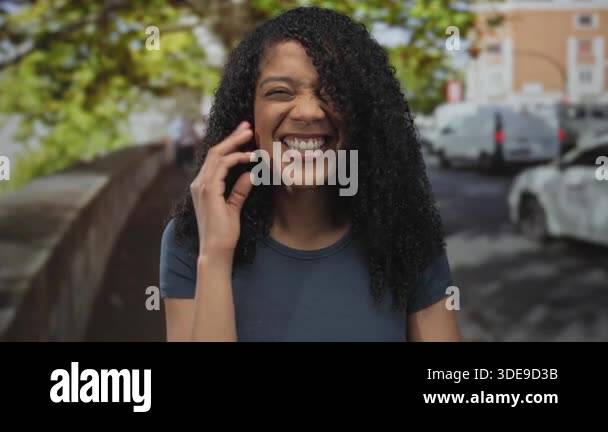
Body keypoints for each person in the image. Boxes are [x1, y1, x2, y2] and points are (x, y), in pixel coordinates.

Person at [159, 7, 461, 342]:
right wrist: (215, 256)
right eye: (280, 92)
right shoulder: (191, 240)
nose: (307, 112)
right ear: (249, 116)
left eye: (331, 91)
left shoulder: (407, 234)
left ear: (361, 114)